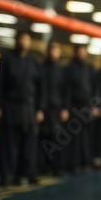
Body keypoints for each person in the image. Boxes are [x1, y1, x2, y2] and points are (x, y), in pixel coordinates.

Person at [0, 30, 45, 186]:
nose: (24, 42)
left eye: (27, 39)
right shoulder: (6, 60)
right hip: (10, 106)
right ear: (17, 40)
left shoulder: (34, 63)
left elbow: (40, 88)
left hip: (29, 107)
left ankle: (27, 173)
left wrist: (39, 109)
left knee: (29, 144)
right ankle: (7, 176)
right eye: (22, 38)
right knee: (9, 143)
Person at [63, 45, 96, 172]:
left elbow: (94, 88)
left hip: (87, 106)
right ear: (76, 53)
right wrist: (66, 107)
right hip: (74, 106)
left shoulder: (88, 69)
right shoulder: (70, 69)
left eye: (84, 52)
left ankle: (86, 160)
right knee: (75, 136)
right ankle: (74, 163)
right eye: (80, 52)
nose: (83, 55)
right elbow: (67, 90)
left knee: (87, 136)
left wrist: (94, 105)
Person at [39, 42, 70, 175]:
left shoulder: (61, 71)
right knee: (44, 138)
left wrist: (65, 108)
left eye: (56, 50)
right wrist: (40, 108)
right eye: (52, 50)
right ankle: (44, 166)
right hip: (45, 109)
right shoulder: (41, 69)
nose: (54, 53)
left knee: (58, 138)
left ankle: (57, 166)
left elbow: (66, 91)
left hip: (57, 109)